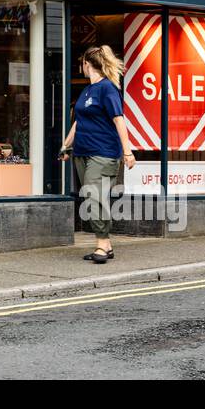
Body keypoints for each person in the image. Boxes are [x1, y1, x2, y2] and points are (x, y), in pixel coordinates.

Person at [59, 45, 135, 264]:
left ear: (87, 64)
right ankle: (107, 245)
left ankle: (101, 244)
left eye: (81, 64)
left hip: (103, 154)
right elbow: (78, 122)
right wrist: (65, 146)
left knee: (95, 197)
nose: (80, 67)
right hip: (82, 153)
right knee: (93, 198)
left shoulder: (108, 89)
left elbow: (119, 120)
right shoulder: (87, 91)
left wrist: (127, 152)